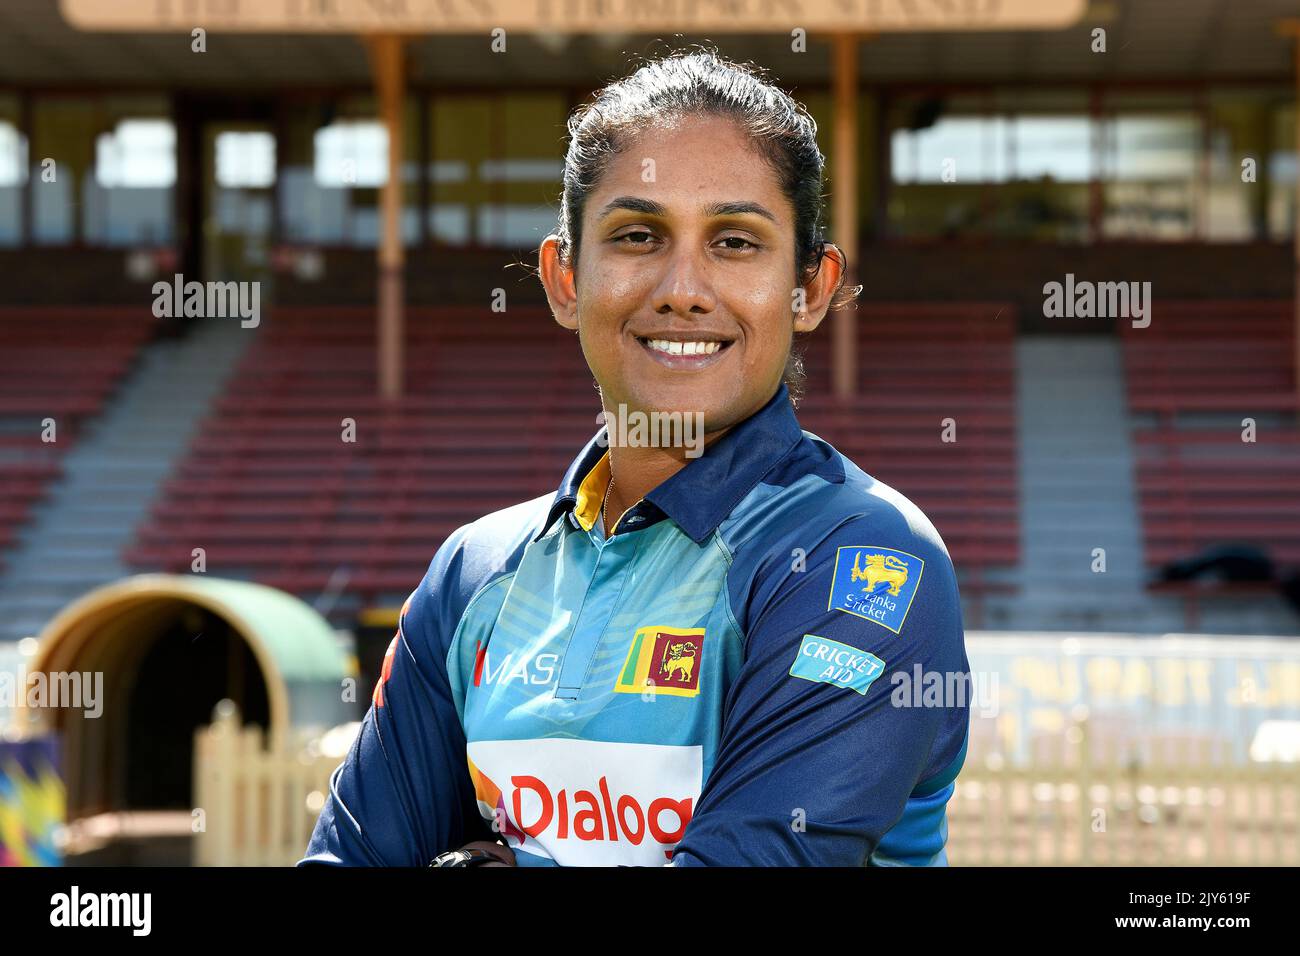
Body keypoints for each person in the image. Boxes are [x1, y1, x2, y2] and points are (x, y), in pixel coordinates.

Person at [299, 47, 970, 868]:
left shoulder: (864, 559)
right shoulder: (473, 572)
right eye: (638, 234)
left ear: (811, 289)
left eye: (734, 241)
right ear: (564, 279)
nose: (682, 287)